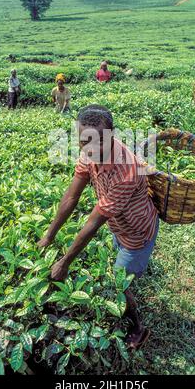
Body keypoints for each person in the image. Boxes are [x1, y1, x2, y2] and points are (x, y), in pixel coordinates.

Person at [37, 105, 159, 350]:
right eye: (84, 141)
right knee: (120, 256)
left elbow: (93, 222)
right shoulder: (88, 154)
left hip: (137, 232)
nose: (90, 149)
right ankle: (137, 268)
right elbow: (72, 197)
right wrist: (49, 235)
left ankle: (138, 328)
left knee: (119, 284)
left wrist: (65, 261)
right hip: (118, 225)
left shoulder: (128, 171)